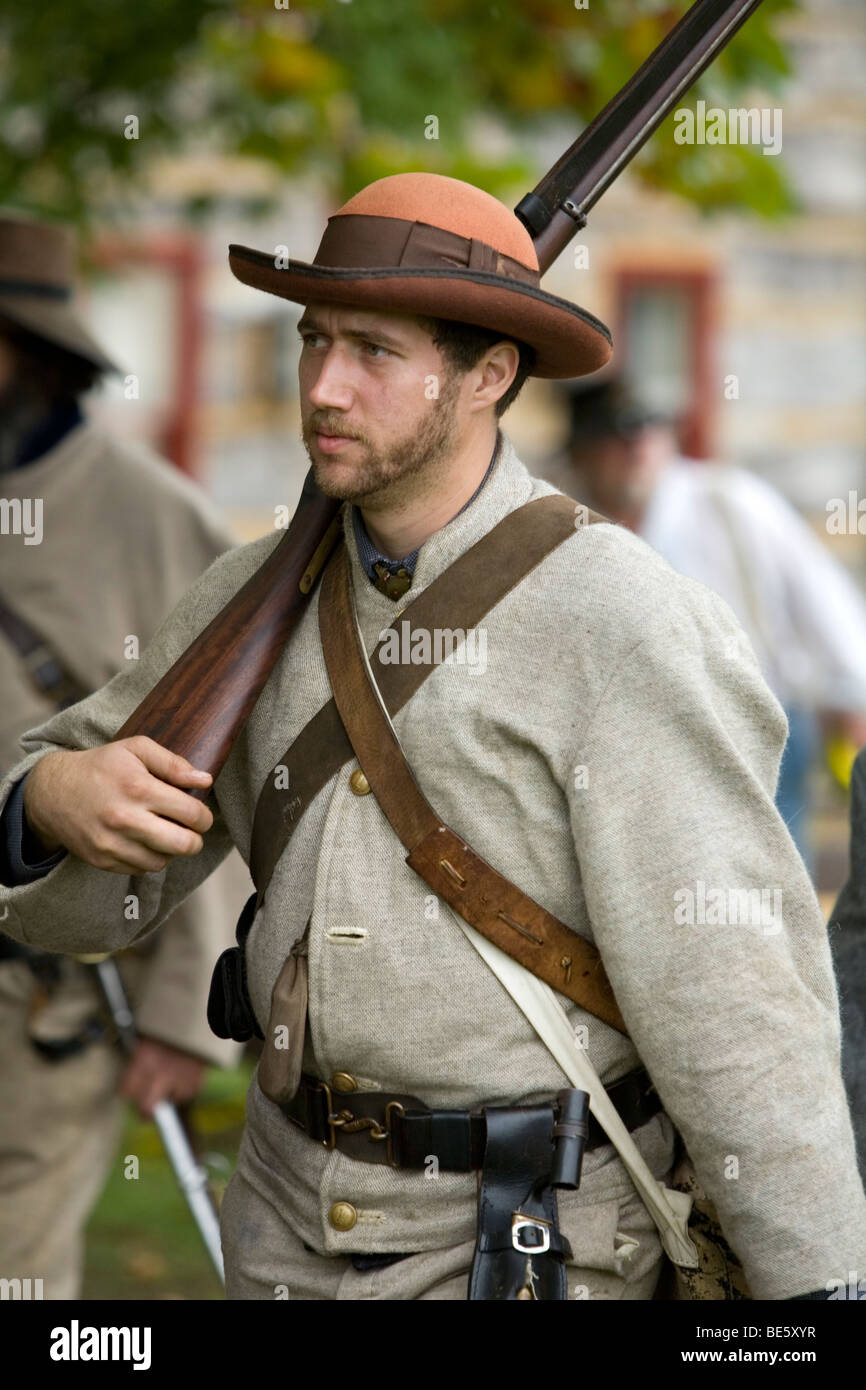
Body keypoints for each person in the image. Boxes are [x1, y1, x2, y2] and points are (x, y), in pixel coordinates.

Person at [0, 173, 863, 1301]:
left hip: (530, 1244)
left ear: (487, 375)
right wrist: (50, 799)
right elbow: (90, 894)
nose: (322, 385)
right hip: (277, 1235)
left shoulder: (621, 616)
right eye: (315, 340)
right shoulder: (245, 594)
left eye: (372, 350)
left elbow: (731, 999)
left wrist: (816, 1290)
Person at [0, 213, 247, 1299]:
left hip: (43, 1004)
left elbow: (216, 775)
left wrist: (183, 1017)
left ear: (24, 349)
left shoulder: (157, 520)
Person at [551, 376, 866, 875]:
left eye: (647, 433)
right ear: (583, 454)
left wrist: (851, 696)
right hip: (627, 753)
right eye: (615, 439)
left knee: (773, 895)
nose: (635, 451)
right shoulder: (561, 523)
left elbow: (823, 601)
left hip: (755, 731)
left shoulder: (730, 502)